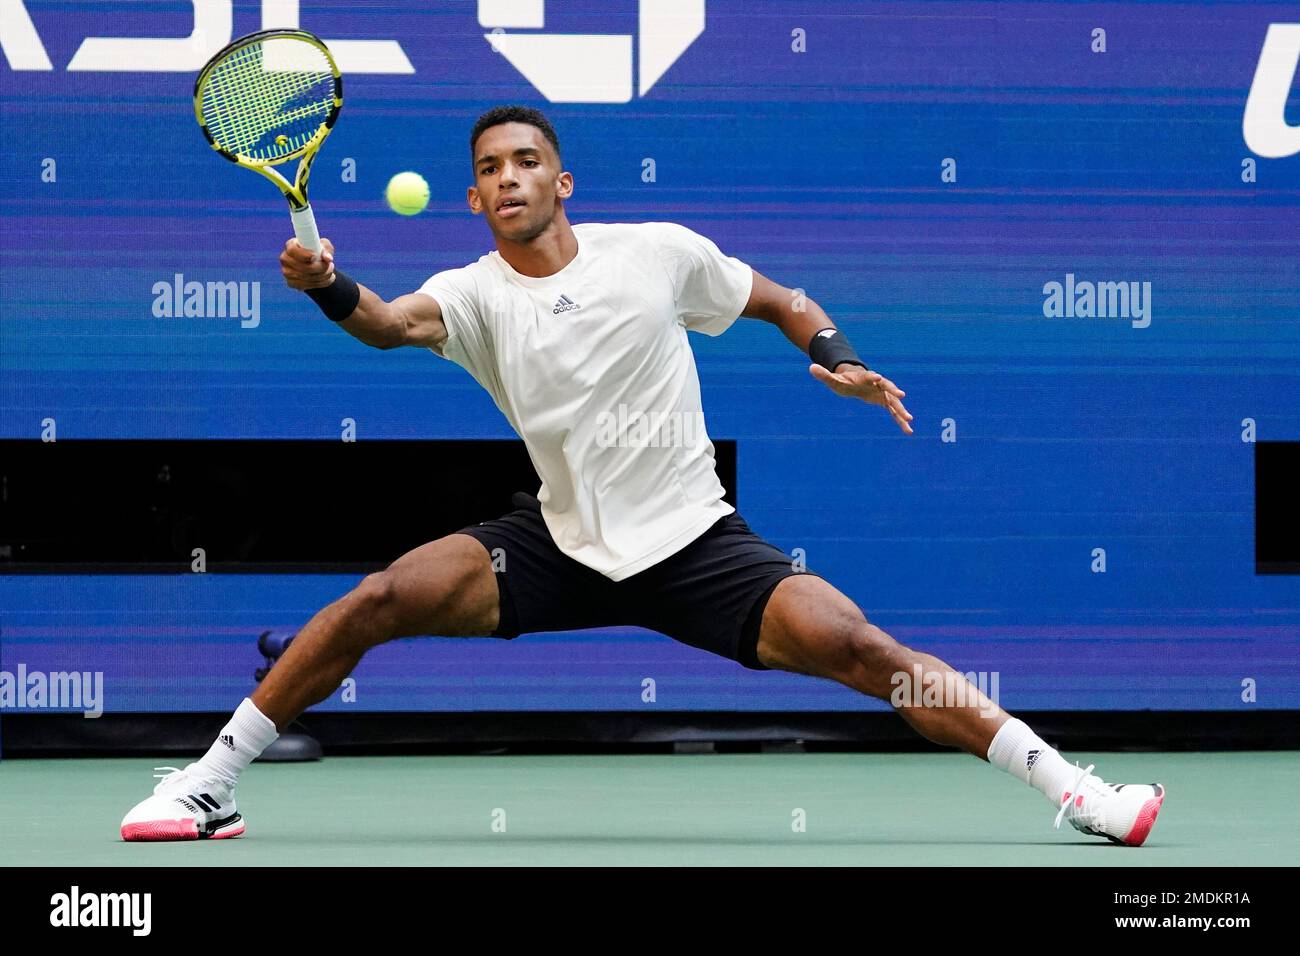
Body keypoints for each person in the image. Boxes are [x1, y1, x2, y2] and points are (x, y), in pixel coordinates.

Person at [121, 105, 1165, 845]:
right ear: (475, 195)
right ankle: (208, 784)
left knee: (863, 648)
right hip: (559, 541)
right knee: (381, 598)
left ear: (560, 180)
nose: (507, 178)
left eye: (525, 160)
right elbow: (386, 326)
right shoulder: (472, 293)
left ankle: (1075, 789)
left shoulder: (654, 253)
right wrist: (326, 282)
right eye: (488, 167)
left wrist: (838, 353)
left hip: (694, 544)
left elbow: (782, 298)